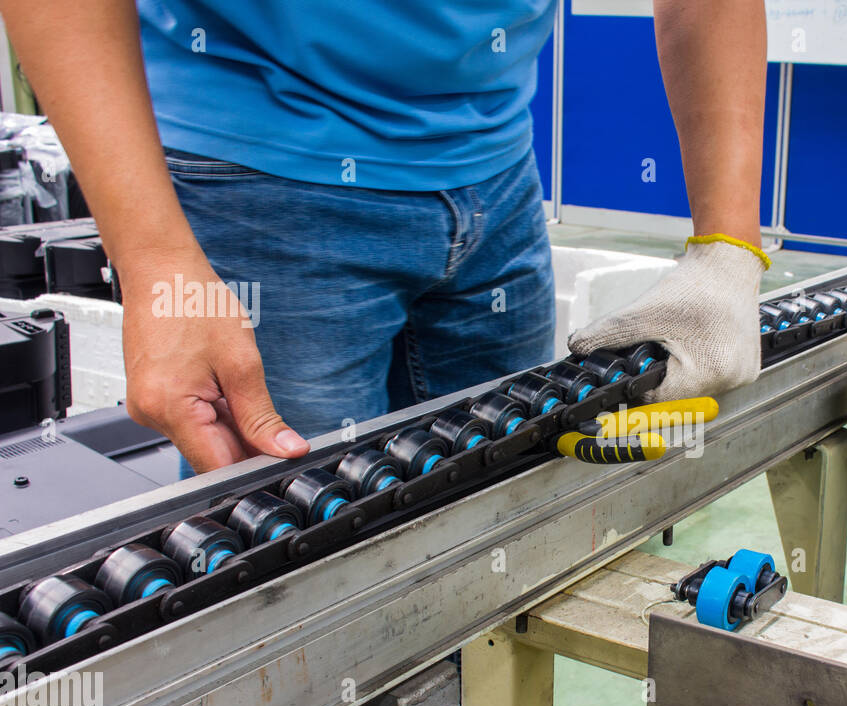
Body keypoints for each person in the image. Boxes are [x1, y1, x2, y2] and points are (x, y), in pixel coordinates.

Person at [2, 1, 769, 474]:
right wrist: (156, 265)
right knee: (295, 572)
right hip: (259, 176)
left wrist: (727, 254)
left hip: (499, 173)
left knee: (498, 521)